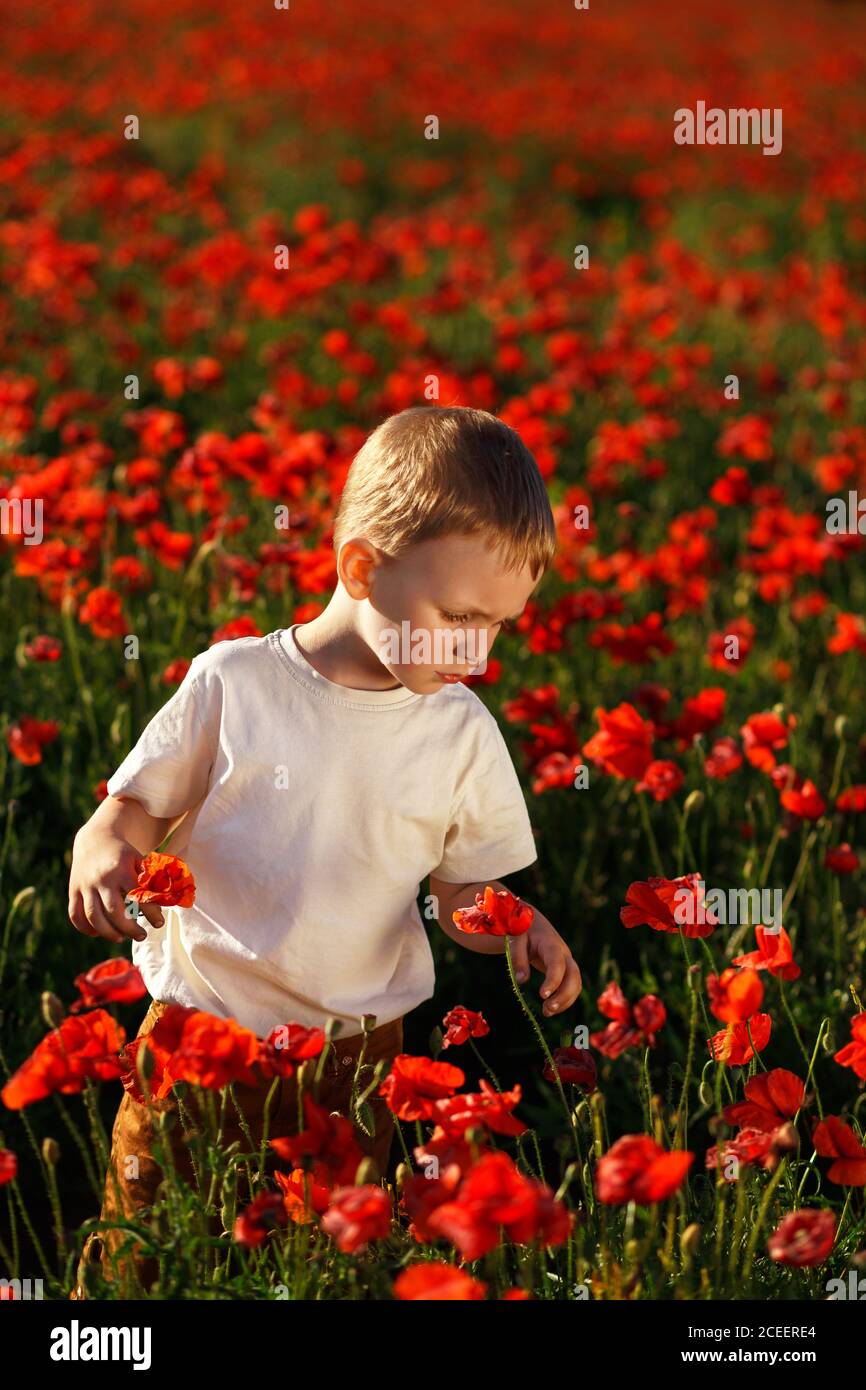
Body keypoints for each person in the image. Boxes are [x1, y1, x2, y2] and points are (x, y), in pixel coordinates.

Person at [67, 404, 583, 1295]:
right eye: (458, 616)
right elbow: (132, 809)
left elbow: (465, 895)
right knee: (148, 1252)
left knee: (317, 1266)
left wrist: (515, 927)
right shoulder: (236, 682)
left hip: (358, 1053)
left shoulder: (461, 732)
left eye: (499, 626)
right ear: (361, 567)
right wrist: (102, 847)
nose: (479, 655)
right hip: (203, 1030)